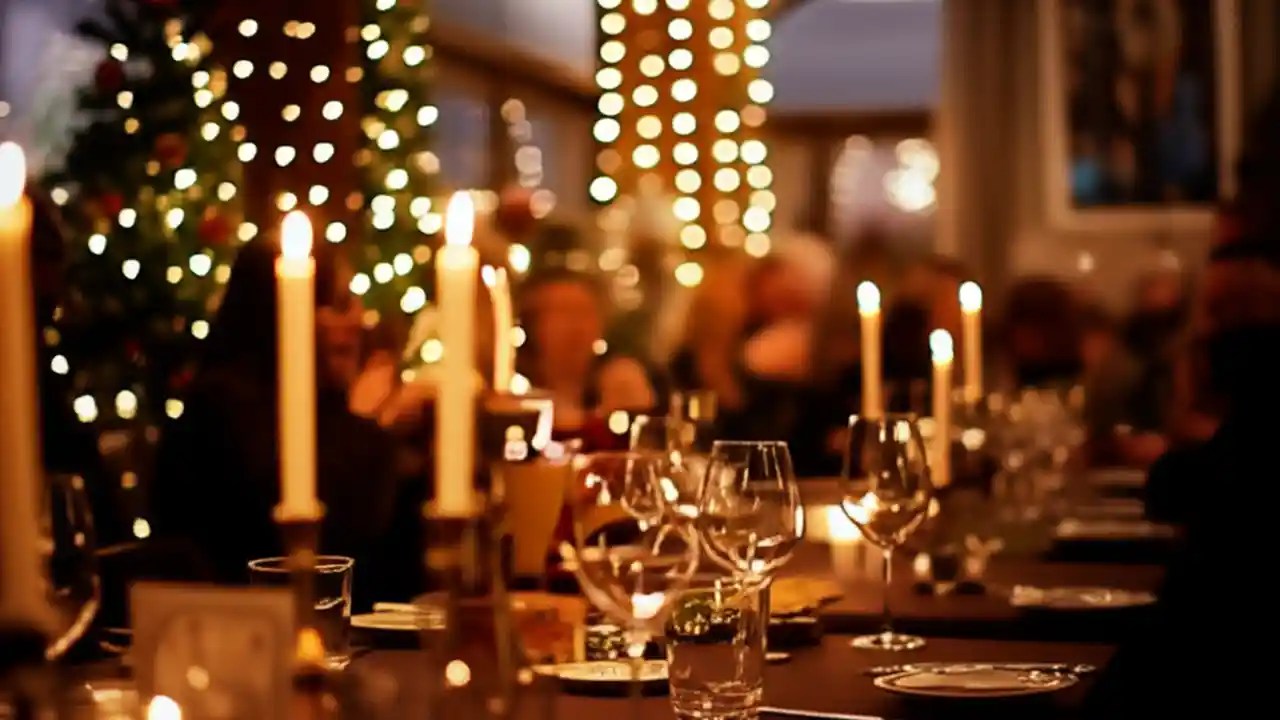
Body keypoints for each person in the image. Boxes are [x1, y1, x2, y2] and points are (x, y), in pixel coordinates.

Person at [151, 236, 424, 608]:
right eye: (340, 305)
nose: (359, 319)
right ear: (279, 314)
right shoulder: (221, 412)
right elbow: (323, 547)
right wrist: (363, 426)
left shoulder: (326, 407)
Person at [517, 268, 656, 434]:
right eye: (562, 312)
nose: (575, 326)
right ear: (533, 324)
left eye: (584, 312)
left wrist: (634, 413)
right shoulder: (517, 389)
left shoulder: (621, 379)